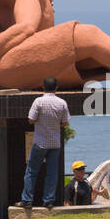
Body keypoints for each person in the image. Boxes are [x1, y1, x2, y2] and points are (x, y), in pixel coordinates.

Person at [21, 76, 70, 211]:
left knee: (31, 171)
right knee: (52, 173)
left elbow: (31, 119)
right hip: (55, 143)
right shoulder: (62, 103)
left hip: (40, 142)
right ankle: (48, 201)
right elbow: (65, 122)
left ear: (43, 87)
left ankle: (27, 200)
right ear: (56, 88)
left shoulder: (38, 101)